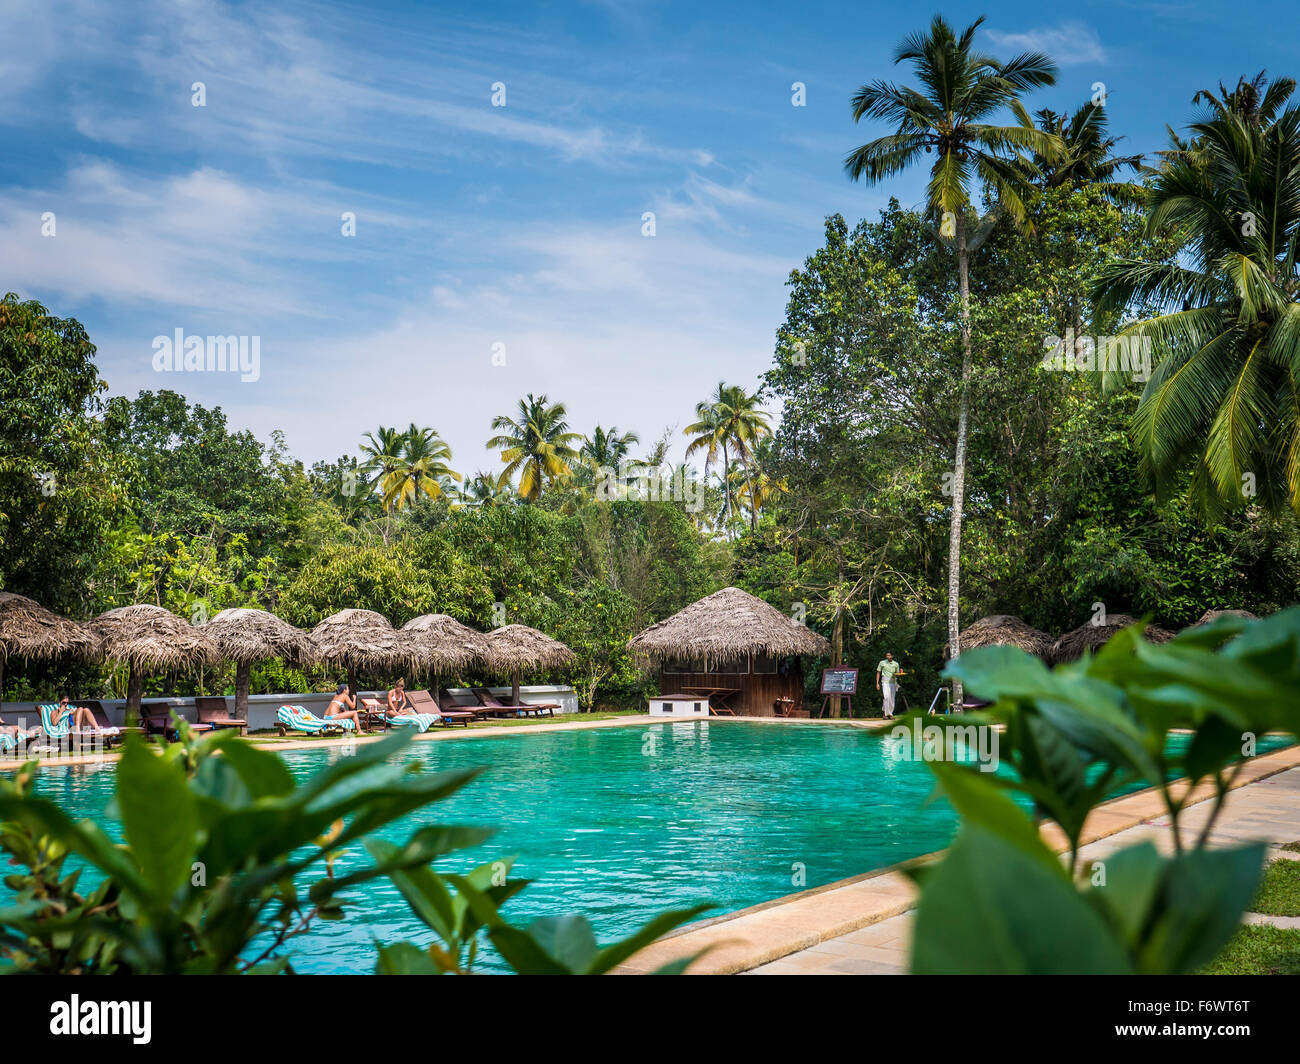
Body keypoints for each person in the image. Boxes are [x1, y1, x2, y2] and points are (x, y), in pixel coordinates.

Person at [875, 653, 904, 719]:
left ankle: (890, 714)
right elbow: (878, 672)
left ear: (892, 656)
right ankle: (885, 714)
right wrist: (877, 683)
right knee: (886, 697)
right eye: (887, 655)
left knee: (892, 698)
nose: (887, 656)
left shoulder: (896, 664)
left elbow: (897, 674)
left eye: (889, 655)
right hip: (885, 682)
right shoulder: (882, 662)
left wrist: (900, 674)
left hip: (893, 682)